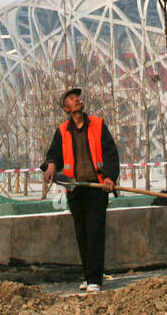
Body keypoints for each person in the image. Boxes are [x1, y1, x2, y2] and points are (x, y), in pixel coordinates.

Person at [41, 88, 119, 292]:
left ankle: (95, 279)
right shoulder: (62, 131)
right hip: (75, 190)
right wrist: (50, 165)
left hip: (96, 187)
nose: (78, 100)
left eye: (78, 98)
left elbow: (111, 153)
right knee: (82, 234)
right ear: (67, 108)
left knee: (95, 233)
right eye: (73, 99)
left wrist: (110, 176)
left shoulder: (98, 125)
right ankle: (88, 275)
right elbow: (54, 154)